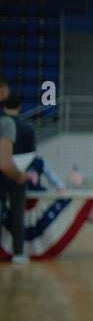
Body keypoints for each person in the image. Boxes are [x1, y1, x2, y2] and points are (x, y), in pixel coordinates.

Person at [0, 77, 31, 264]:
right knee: (17, 215)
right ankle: (18, 253)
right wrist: (20, 176)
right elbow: (4, 163)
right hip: (11, 176)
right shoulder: (9, 125)